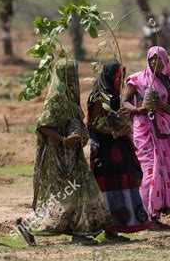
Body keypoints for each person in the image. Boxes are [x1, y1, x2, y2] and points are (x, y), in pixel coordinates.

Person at [16, 59, 112, 246]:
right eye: (71, 74)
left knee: (83, 190)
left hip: (73, 156)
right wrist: (63, 140)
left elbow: (74, 122)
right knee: (63, 196)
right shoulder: (57, 98)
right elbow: (43, 126)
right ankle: (29, 226)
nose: (74, 79)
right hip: (58, 158)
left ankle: (80, 232)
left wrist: (81, 136)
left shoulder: (70, 98)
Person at [87, 61, 154, 240]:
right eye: (118, 77)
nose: (121, 81)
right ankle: (109, 229)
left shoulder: (114, 96)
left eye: (122, 77)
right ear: (110, 77)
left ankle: (117, 227)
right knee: (108, 188)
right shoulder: (99, 97)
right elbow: (94, 124)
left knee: (121, 185)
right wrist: (115, 132)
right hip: (105, 151)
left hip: (119, 149)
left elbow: (115, 118)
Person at [123, 46, 170, 229]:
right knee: (148, 172)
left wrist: (161, 105)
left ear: (165, 61)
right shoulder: (137, 79)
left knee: (162, 171)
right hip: (143, 131)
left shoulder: (168, 82)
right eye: (152, 59)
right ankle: (144, 217)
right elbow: (124, 103)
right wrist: (138, 109)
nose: (155, 62)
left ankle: (154, 217)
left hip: (163, 134)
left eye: (159, 59)